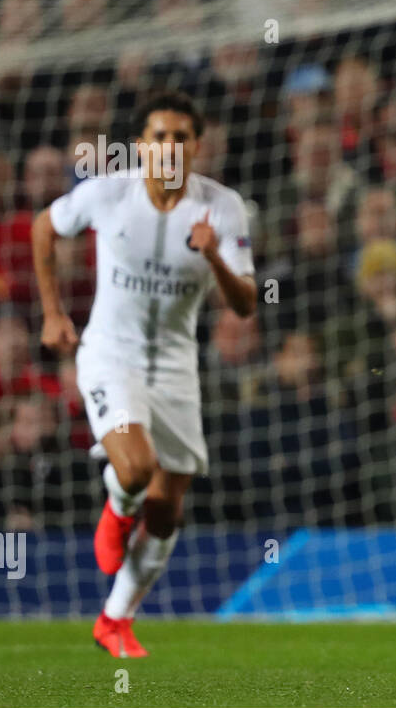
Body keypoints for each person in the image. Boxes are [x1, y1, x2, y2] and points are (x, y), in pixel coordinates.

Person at [32, 90, 256, 658]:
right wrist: (55, 313)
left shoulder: (224, 208)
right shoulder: (108, 194)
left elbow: (247, 303)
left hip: (178, 367)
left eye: (182, 137)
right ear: (140, 146)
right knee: (134, 471)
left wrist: (214, 257)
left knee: (166, 511)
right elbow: (44, 227)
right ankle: (114, 510)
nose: (171, 146)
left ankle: (114, 620)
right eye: (160, 136)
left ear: (196, 146)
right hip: (111, 352)